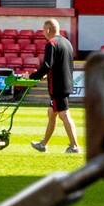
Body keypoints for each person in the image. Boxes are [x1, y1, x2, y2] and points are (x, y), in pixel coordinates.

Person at [29, 19, 80, 153]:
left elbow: (47, 65)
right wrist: (48, 74)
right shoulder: (67, 43)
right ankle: (43, 144)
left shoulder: (51, 44)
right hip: (66, 82)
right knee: (51, 113)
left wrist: (33, 76)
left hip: (57, 86)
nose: (43, 33)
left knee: (64, 115)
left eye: (43, 30)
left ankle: (74, 146)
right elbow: (62, 64)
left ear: (48, 30)